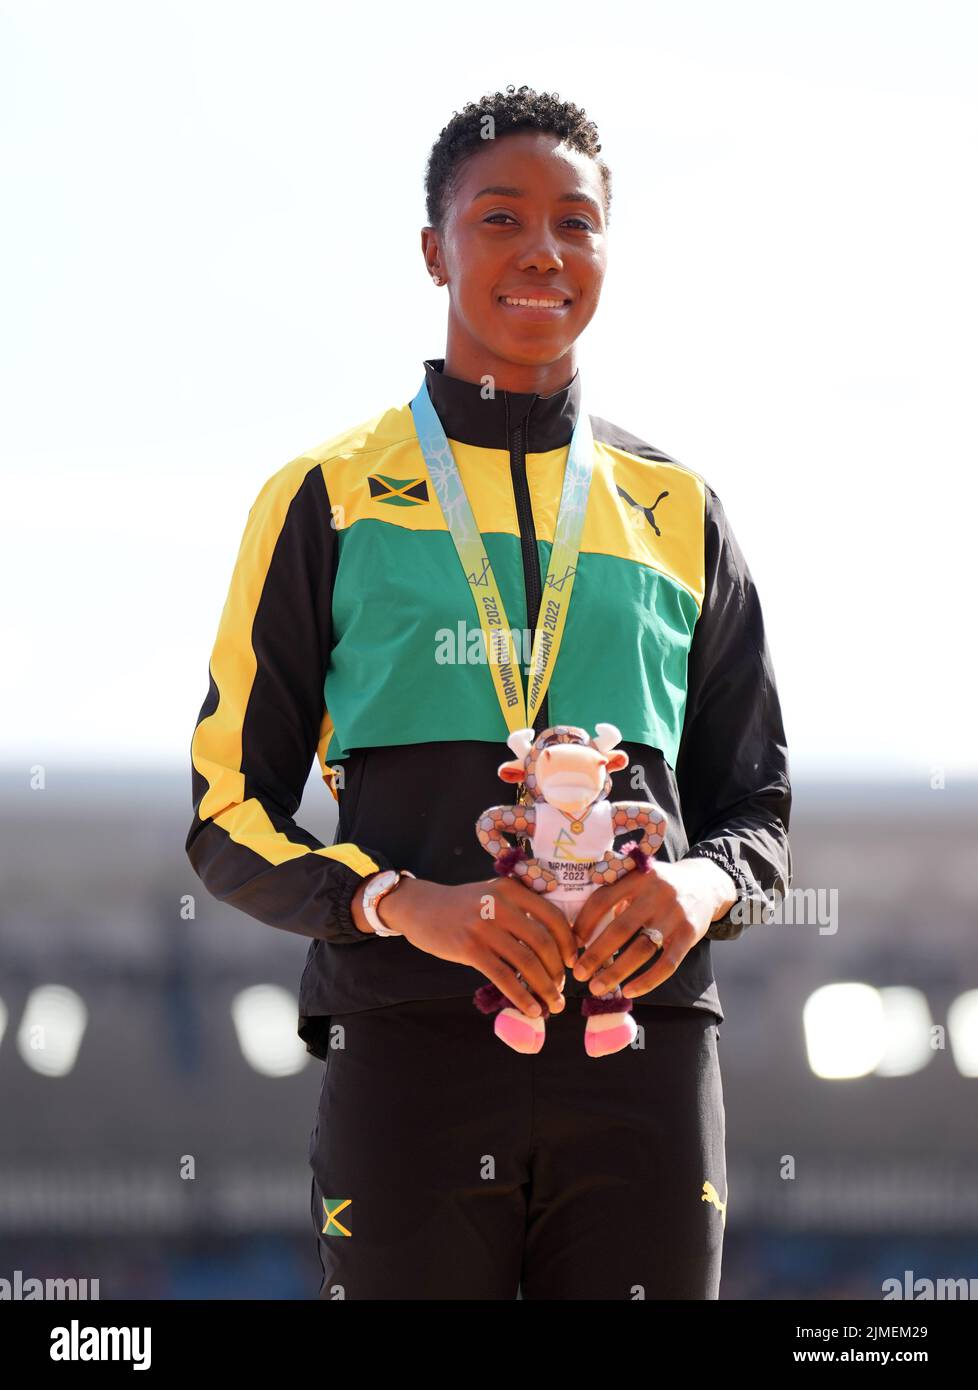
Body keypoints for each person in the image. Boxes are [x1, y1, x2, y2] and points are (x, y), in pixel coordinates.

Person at [185, 84, 791, 1300]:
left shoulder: (679, 509)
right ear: (435, 250)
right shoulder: (325, 496)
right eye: (501, 217)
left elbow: (758, 813)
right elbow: (226, 816)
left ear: (607, 250)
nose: (543, 252)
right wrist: (403, 903)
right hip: (411, 1040)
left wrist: (697, 884)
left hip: (646, 1045)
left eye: (576, 222)